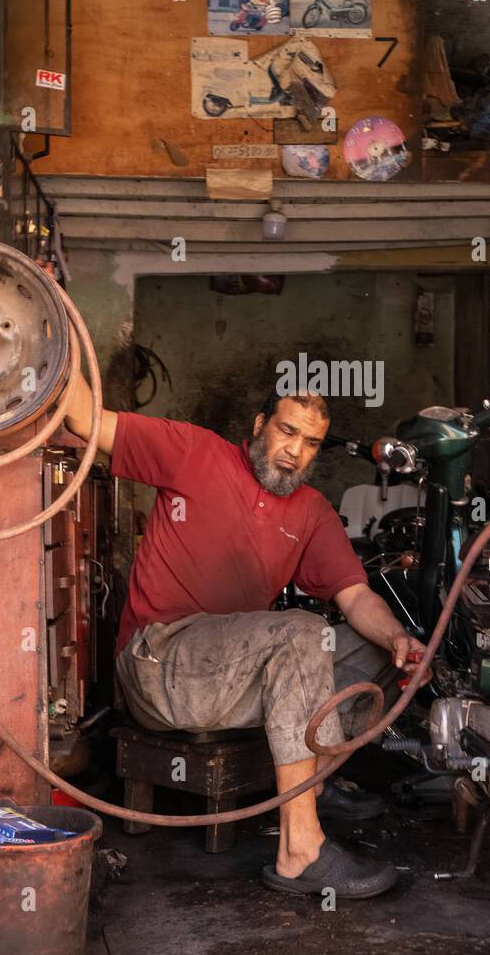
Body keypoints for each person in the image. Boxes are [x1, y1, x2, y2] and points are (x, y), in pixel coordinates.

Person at [64, 375, 428, 899]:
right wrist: (54, 304)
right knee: (303, 635)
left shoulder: (310, 511)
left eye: (310, 443)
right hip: (161, 663)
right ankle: (299, 850)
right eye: (287, 432)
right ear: (259, 426)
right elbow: (83, 416)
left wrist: (401, 638)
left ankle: (310, 786)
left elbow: (355, 596)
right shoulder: (193, 453)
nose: (294, 452)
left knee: (387, 653)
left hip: (234, 674)